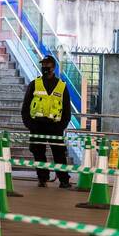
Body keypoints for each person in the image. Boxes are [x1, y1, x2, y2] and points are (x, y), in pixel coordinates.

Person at [21, 54, 72, 187]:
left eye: (47, 66)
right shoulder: (34, 84)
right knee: (38, 153)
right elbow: (25, 107)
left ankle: (64, 180)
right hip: (37, 125)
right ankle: (42, 179)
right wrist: (30, 124)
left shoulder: (61, 86)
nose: (45, 68)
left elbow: (67, 110)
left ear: (53, 67)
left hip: (55, 127)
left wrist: (61, 126)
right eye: (43, 65)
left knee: (59, 154)